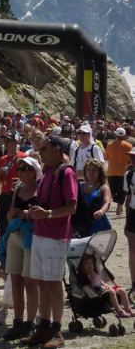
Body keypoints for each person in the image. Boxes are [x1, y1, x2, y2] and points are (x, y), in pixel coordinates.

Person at [25, 135, 78, 348]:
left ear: (57, 149)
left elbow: (72, 207)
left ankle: (57, 329)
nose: (41, 152)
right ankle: (44, 325)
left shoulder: (66, 172)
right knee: (41, 281)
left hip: (56, 236)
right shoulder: (47, 172)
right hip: (41, 233)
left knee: (54, 282)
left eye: (45, 149)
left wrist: (46, 214)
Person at [0, 156, 40, 341]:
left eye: (25, 169)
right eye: (20, 169)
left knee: (31, 283)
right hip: (15, 236)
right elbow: (10, 214)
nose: (21, 172)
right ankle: (18, 321)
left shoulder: (41, 189)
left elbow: (41, 214)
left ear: (34, 170)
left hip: (32, 238)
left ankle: (30, 323)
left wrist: (27, 214)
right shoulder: (18, 190)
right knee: (16, 280)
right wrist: (18, 214)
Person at [78, 252, 133, 317]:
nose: (89, 265)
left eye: (91, 263)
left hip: (103, 289)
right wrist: (91, 275)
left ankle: (128, 309)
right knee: (112, 292)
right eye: (86, 264)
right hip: (97, 293)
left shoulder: (95, 272)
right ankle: (119, 311)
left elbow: (100, 281)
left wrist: (107, 286)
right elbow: (89, 286)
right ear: (82, 266)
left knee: (121, 290)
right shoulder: (85, 276)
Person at [75, 158, 112, 236]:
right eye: (88, 170)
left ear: (100, 172)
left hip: (99, 223)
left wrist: (101, 211)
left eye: (94, 170)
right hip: (82, 224)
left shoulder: (103, 187)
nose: (90, 172)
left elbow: (107, 203)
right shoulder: (79, 186)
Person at [105, 127, 132, 215]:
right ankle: (119, 208)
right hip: (122, 172)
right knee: (122, 191)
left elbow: (107, 157)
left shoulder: (109, 145)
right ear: (124, 135)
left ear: (116, 134)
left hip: (111, 172)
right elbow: (130, 160)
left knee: (111, 191)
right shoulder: (128, 146)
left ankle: (107, 205)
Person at [124, 148, 135, 297]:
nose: (133, 159)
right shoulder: (128, 175)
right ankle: (134, 283)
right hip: (133, 212)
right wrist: (127, 220)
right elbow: (128, 197)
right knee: (132, 250)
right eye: (132, 157)